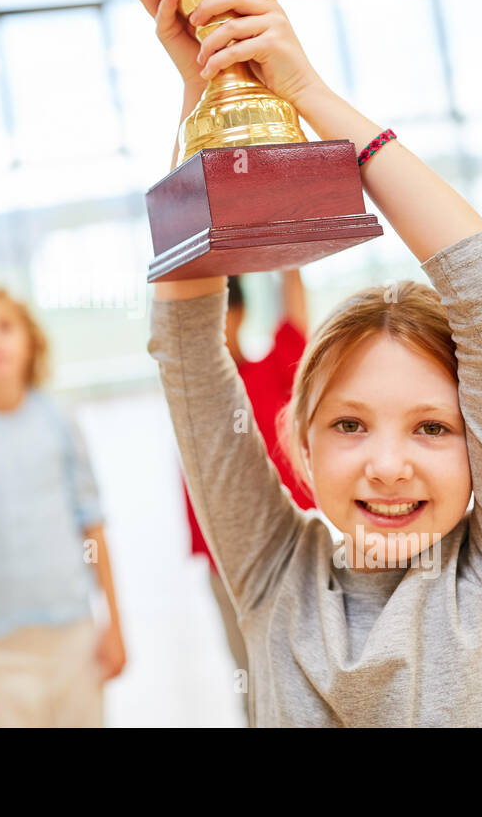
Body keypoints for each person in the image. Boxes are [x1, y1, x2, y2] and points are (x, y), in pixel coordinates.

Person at [123, 0, 482, 725]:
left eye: (434, 428)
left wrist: (306, 91)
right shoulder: (274, 574)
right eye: (348, 424)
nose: (388, 465)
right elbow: (190, 357)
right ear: (298, 443)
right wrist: (212, 96)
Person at [0, 287, 126, 727]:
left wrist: (112, 619)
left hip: (74, 637)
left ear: (30, 342)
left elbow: (92, 524)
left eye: (5, 327)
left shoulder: (59, 421)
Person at [180, 270, 315, 724]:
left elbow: (294, 312)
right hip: (228, 568)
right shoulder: (192, 393)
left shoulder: (270, 369)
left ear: (237, 313)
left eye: (215, 315)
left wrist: (286, 255)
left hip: (293, 554)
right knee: (254, 682)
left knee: (310, 674)